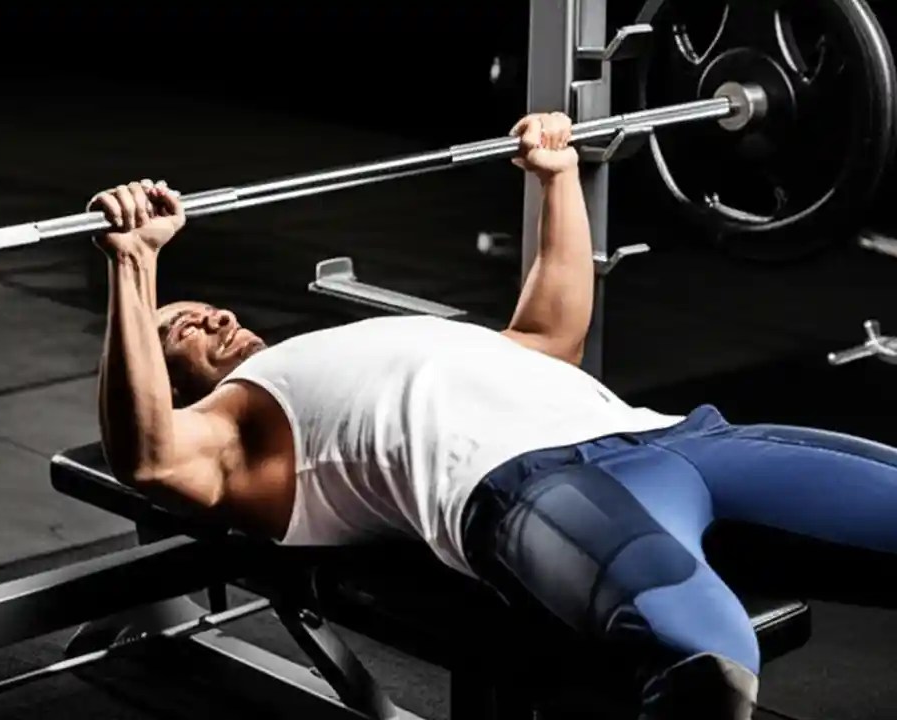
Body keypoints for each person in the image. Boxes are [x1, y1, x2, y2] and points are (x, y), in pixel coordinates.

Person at [88, 112, 897, 719]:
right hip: (533, 487)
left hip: (680, 439)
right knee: (709, 659)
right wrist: (137, 266)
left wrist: (555, 177)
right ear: (163, 380)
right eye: (178, 327)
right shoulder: (238, 427)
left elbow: (550, 335)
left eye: (207, 308)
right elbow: (150, 457)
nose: (208, 318)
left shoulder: (347, 345)